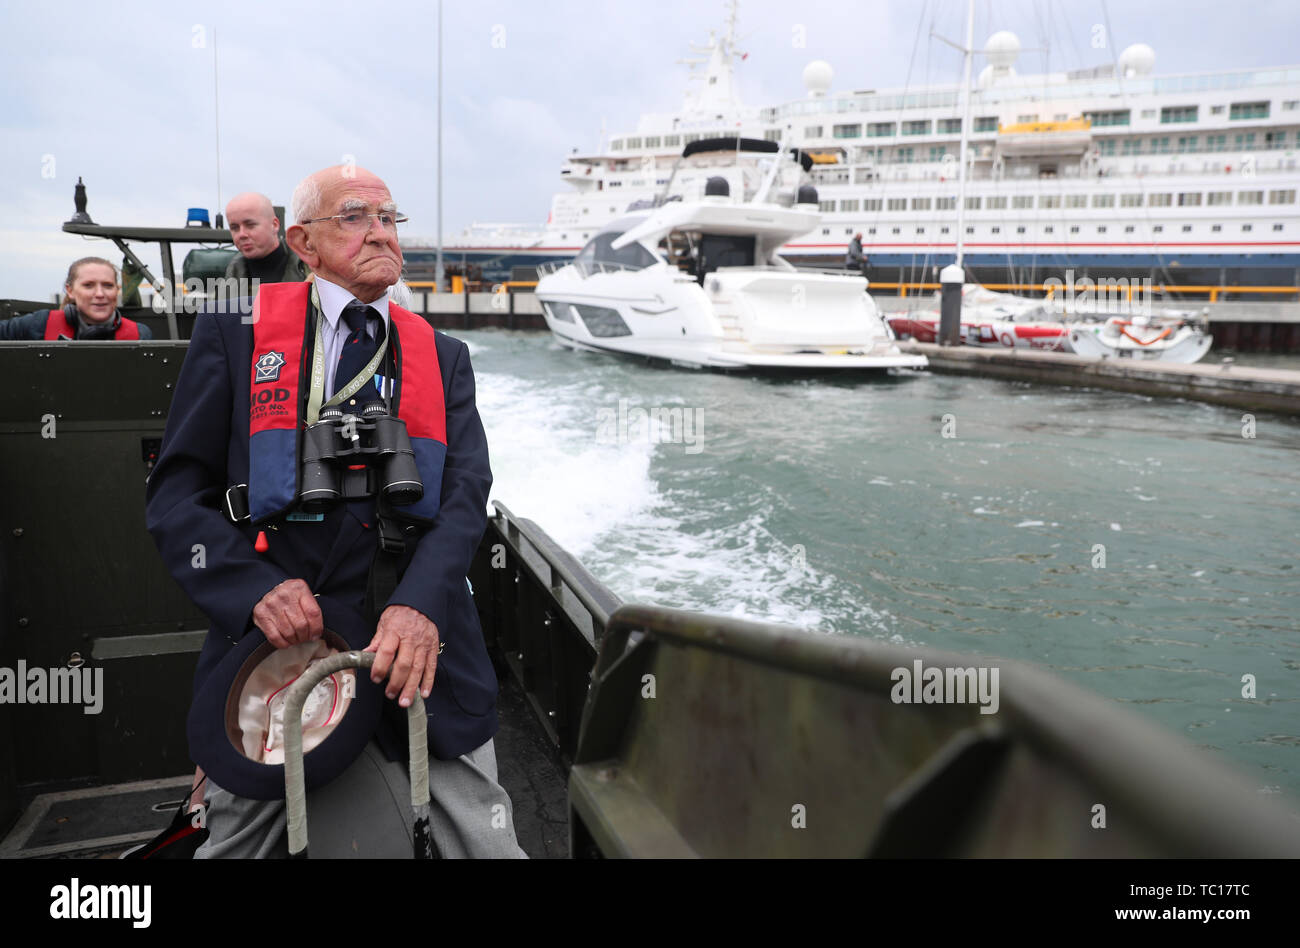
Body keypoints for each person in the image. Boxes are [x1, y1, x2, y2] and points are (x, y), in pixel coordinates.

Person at [146, 165, 524, 858]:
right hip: (277, 655)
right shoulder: (236, 333)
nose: (381, 230)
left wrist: (422, 608)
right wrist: (254, 591)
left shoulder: (444, 355)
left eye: (389, 217)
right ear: (304, 242)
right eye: (356, 216)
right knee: (239, 848)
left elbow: (467, 496)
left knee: (485, 843)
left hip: (421, 651)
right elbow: (176, 496)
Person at [0, 257, 153, 340]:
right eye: (88, 285)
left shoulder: (139, 335)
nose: (100, 294)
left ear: (116, 290)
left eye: (107, 285)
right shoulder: (39, 324)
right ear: (70, 290)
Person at [224, 192, 309, 284]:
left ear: (275, 225)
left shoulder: (309, 267)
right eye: (234, 228)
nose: (242, 234)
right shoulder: (232, 275)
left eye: (250, 225)